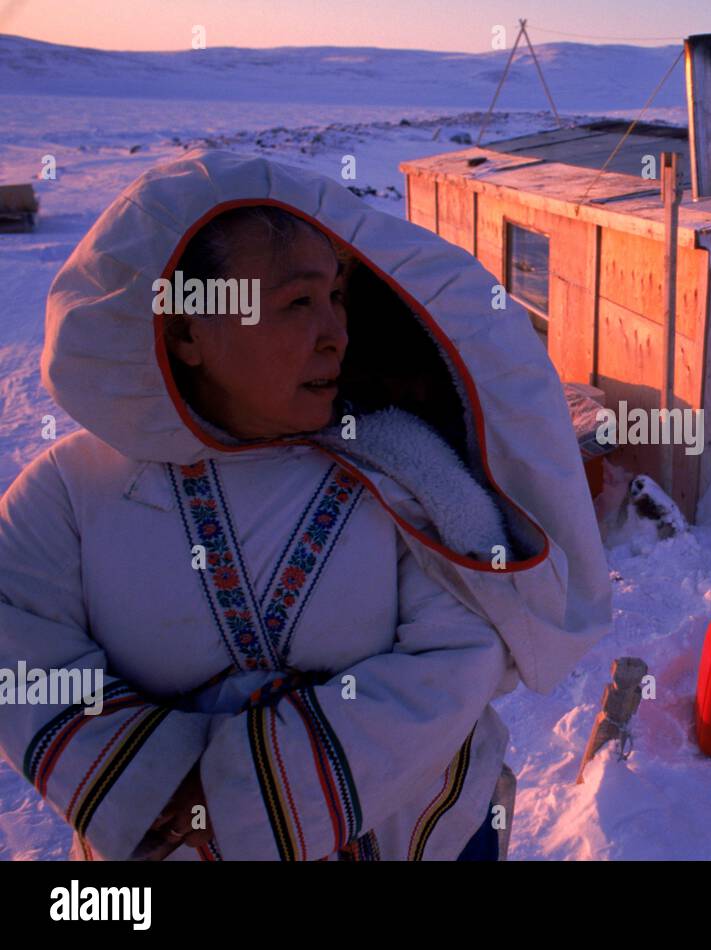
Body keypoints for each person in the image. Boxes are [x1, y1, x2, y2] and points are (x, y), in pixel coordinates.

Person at [0, 150, 611, 861]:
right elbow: (19, 648)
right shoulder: (69, 494)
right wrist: (158, 786)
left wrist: (238, 800)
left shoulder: (407, 471)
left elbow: (455, 657)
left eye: (337, 298)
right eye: (297, 303)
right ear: (188, 331)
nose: (336, 334)